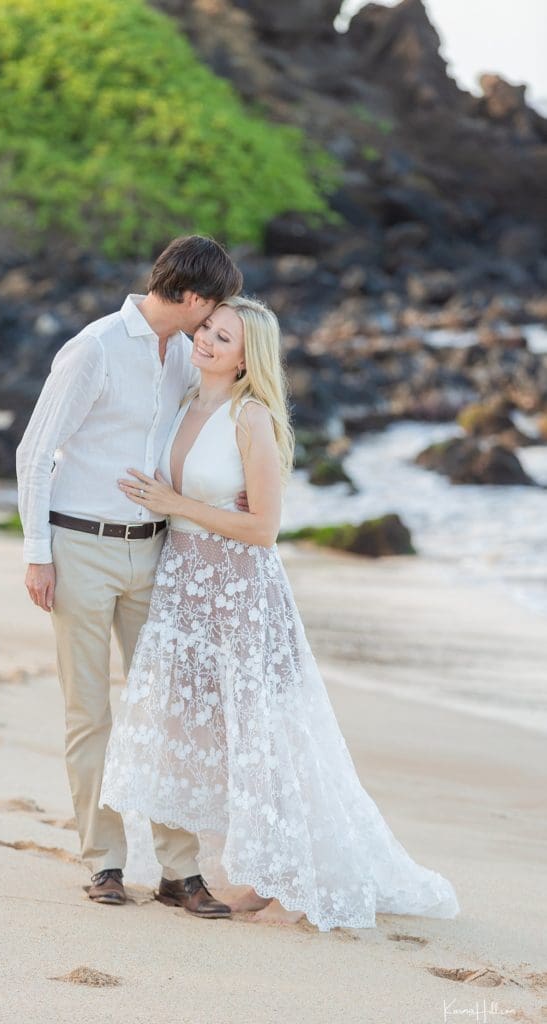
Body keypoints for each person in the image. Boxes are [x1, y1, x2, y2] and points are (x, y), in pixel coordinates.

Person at [99, 295, 461, 930]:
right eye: (207, 329)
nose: (208, 342)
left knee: (257, 734)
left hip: (240, 592)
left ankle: (268, 874)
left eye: (225, 338)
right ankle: (203, 865)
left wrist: (171, 500)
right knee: (194, 731)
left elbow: (264, 527)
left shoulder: (251, 418)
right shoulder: (181, 403)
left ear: (246, 358)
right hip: (183, 586)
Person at [16, 235, 244, 917]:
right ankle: (105, 862)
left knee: (166, 714)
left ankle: (179, 870)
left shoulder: (182, 353)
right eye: (216, 308)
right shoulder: (93, 348)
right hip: (77, 547)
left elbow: (199, 433)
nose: (214, 324)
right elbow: (34, 452)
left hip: (153, 553)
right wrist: (36, 553)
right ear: (195, 297)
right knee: (91, 712)